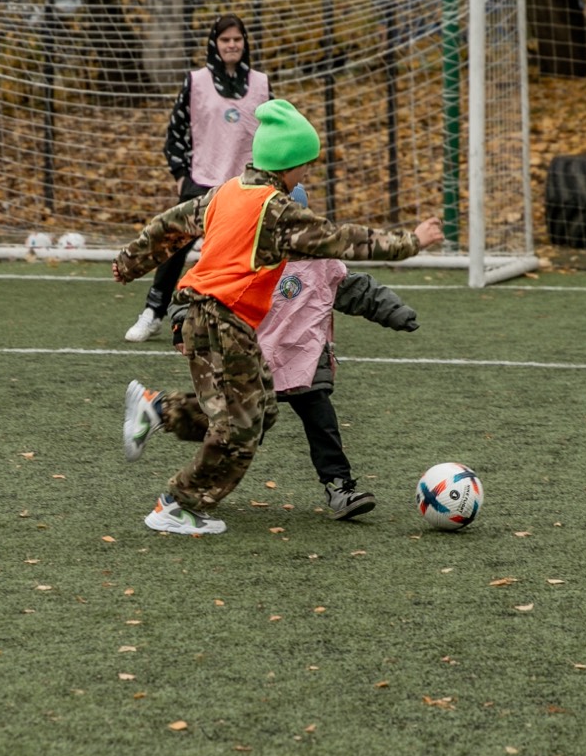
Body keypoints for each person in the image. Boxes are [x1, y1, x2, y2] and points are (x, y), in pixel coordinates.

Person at [113, 98, 442, 535]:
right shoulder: (276, 210)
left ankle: (158, 411)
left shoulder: (227, 192)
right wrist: (411, 241)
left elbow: (168, 225)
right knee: (243, 426)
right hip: (221, 319)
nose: (305, 174)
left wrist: (129, 262)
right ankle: (178, 504)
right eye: (304, 165)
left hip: (206, 317)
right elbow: (345, 240)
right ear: (287, 165)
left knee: (260, 411)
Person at [155, 186, 421, 520]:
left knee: (321, 421)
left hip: (305, 360)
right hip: (251, 360)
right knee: (234, 428)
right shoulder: (243, 254)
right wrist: (180, 324)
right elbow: (202, 290)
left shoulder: (321, 260)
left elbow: (357, 290)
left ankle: (340, 487)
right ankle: (163, 411)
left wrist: (395, 312)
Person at [123, 15, 268, 342]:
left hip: (246, 185)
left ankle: (256, 315)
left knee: (253, 252)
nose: (232, 45)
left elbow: (271, 134)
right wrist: (180, 176)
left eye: (237, 39)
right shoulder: (196, 81)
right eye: (225, 40)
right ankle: (153, 311)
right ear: (214, 44)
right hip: (201, 182)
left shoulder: (261, 83)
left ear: (245, 43)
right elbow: (175, 133)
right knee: (174, 244)